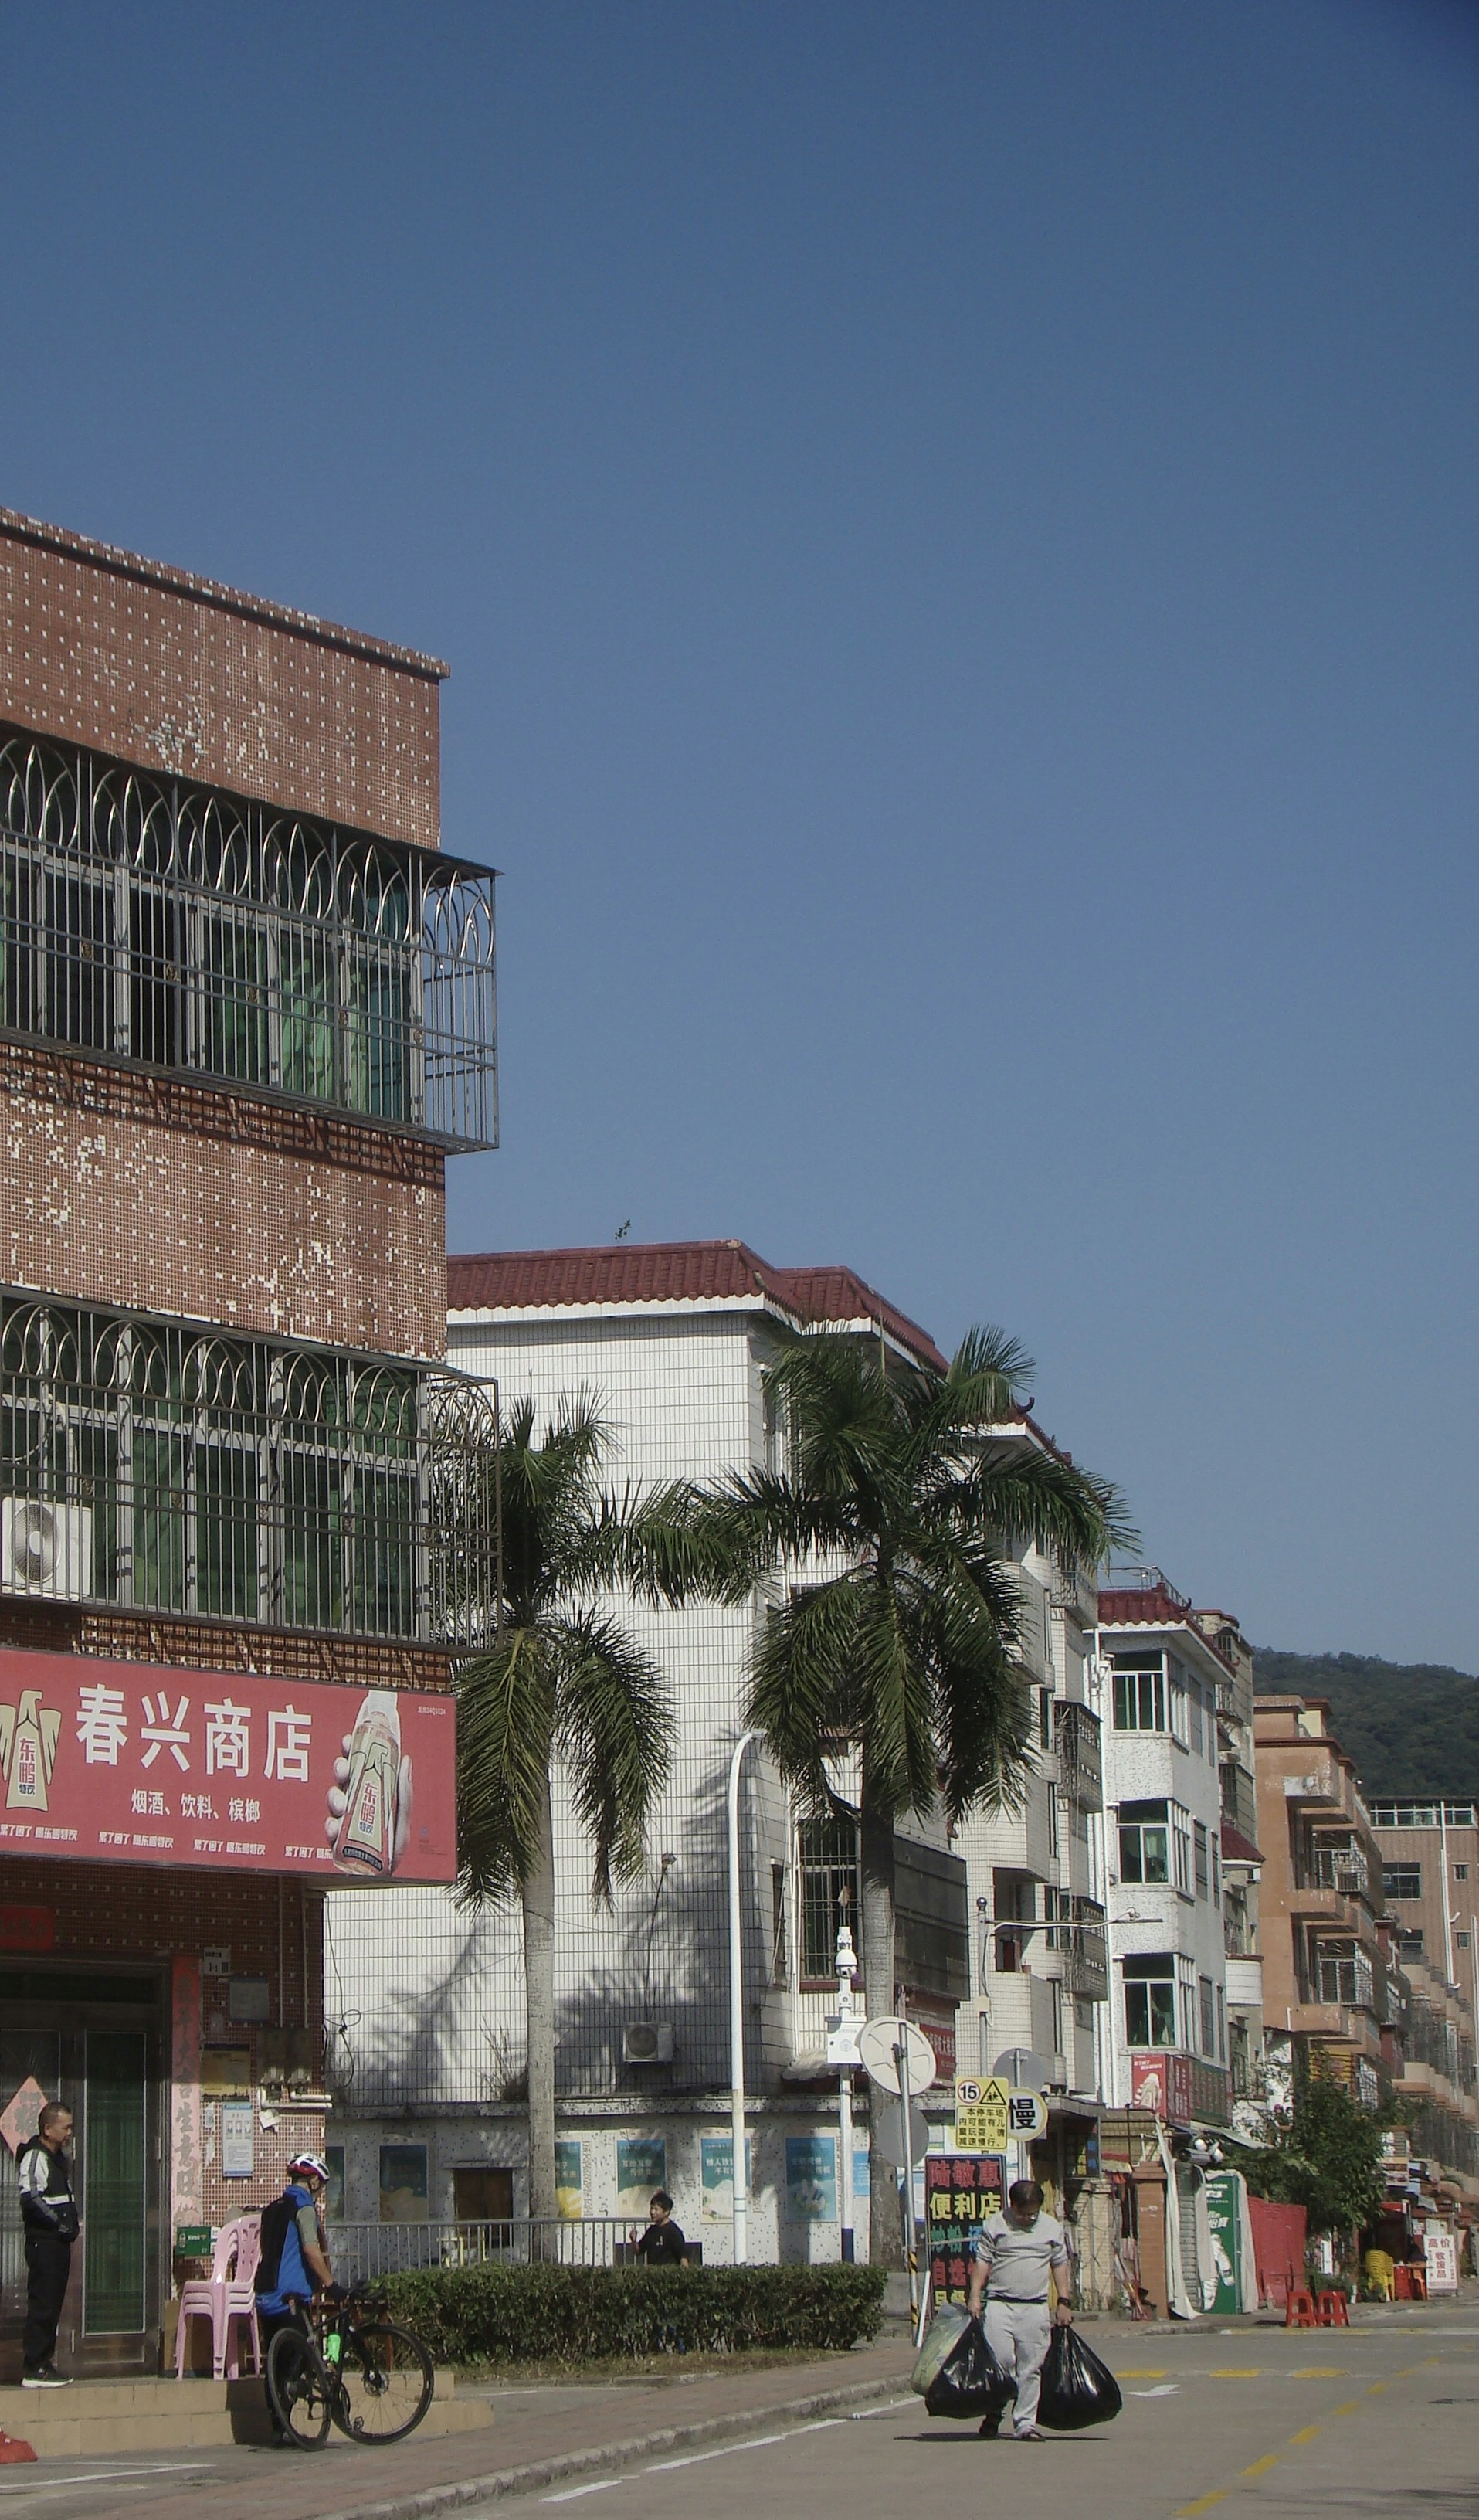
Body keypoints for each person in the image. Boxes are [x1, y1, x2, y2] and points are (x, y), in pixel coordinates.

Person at [965, 2177, 1074, 2443]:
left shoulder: (1051, 2228)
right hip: (1000, 2304)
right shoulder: (996, 2225)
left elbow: (1060, 2265)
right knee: (1000, 2363)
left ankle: (1025, 2424)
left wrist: (1063, 2301)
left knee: (1031, 2367)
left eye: (1034, 2213)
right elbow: (982, 2262)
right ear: (1012, 2207)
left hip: (1034, 2307)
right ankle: (994, 2412)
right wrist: (974, 2296)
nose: (1029, 2219)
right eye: (1024, 2214)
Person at [254, 2150, 338, 2429]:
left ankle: (277, 2427)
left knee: (275, 2363)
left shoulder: (272, 2208)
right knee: (296, 2359)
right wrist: (331, 2284)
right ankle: (287, 2423)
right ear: (313, 2182)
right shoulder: (304, 2208)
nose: (320, 2193)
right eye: (321, 2187)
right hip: (290, 2295)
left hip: (265, 2295)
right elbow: (311, 2250)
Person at [16, 2101, 79, 2387]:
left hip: (59, 2244)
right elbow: (30, 2198)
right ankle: (35, 2366)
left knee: (53, 2303)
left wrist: (71, 2224)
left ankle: (45, 2362)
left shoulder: (58, 2159)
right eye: (65, 2127)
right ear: (47, 2129)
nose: (69, 2133)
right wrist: (58, 2222)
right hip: (44, 2243)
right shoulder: (35, 2156)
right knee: (42, 2302)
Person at [631, 2190, 690, 2266]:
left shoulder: (674, 2232)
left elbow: (683, 2257)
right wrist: (633, 2240)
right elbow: (638, 2251)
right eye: (651, 2208)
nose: (652, 2212)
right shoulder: (651, 2231)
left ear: (666, 2212)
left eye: (656, 2209)